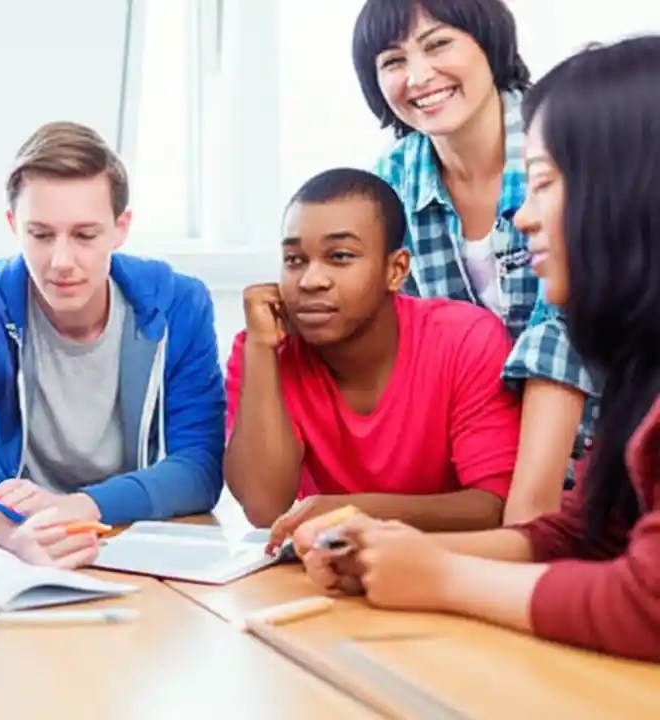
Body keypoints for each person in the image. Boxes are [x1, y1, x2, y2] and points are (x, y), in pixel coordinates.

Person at [302, 36, 660, 662]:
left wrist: (444, 578)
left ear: (629, 190)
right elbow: (583, 533)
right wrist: (393, 549)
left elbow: (646, 604)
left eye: (544, 183)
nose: (521, 216)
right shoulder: (640, 375)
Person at [0, 121, 225, 568]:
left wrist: (79, 507)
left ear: (121, 229)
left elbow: (199, 468)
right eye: (40, 235)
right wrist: (18, 537)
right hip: (17, 547)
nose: (61, 262)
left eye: (85, 235)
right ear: (13, 225)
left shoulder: (179, 303)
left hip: (127, 540)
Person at [353, 0, 595, 523]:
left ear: (490, 43)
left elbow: (565, 331)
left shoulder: (562, 141)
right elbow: (414, 346)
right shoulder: (390, 183)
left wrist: (525, 511)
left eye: (439, 44)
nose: (418, 77)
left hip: (597, 449)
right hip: (476, 467)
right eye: (392, 61)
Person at [224, 168, 519, 548]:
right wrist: (261, 352)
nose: (311, 280)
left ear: (395, 270)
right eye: (294, 260)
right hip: (326, 577)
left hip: (446, 571)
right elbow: (264, 508)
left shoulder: (466, 340)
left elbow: (492, 506)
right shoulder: (263, 348)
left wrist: (350, 511)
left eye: (340, 256)